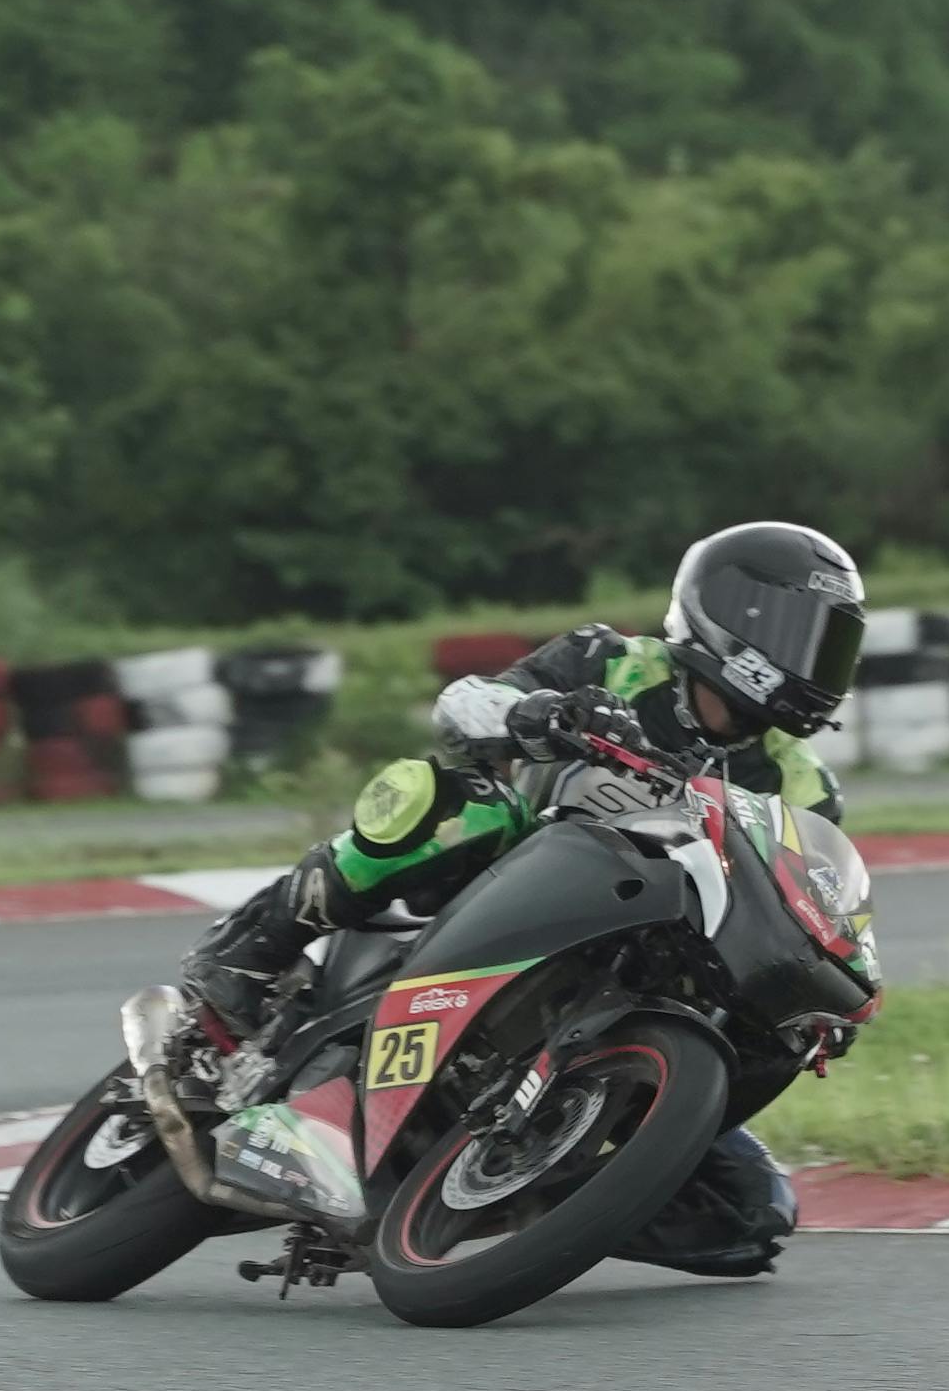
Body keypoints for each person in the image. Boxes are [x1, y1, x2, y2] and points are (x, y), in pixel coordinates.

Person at [182, 521, 869, 1276]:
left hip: (632, 956)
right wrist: (534, 715)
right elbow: (464, 705)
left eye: (828, 644)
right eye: (799, 636)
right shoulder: (612, 661)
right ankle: (256, 945)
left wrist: (817, 986)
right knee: (446, 799)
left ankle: (498, 1198)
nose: (813, 664)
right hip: (494, 878)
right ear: (733, 620)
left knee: (752, 1215)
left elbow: (806, 893)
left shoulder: (804, 785)